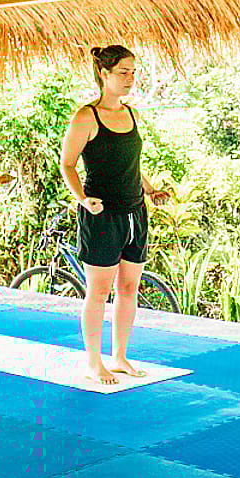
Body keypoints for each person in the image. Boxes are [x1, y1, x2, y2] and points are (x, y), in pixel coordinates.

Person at [59, 45, 170, 386]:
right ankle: (94, 363)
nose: (130, 79)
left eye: (133, 72)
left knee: (129, 287)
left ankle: (119, 356)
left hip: (135, 213)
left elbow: (131, 165)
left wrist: (151, 190)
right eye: (122, 72)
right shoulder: (86, 117)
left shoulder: (132, 114)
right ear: (103, 75)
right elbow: (67, 164)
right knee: (99, 290)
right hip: (102, 215)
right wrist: (83, 199)